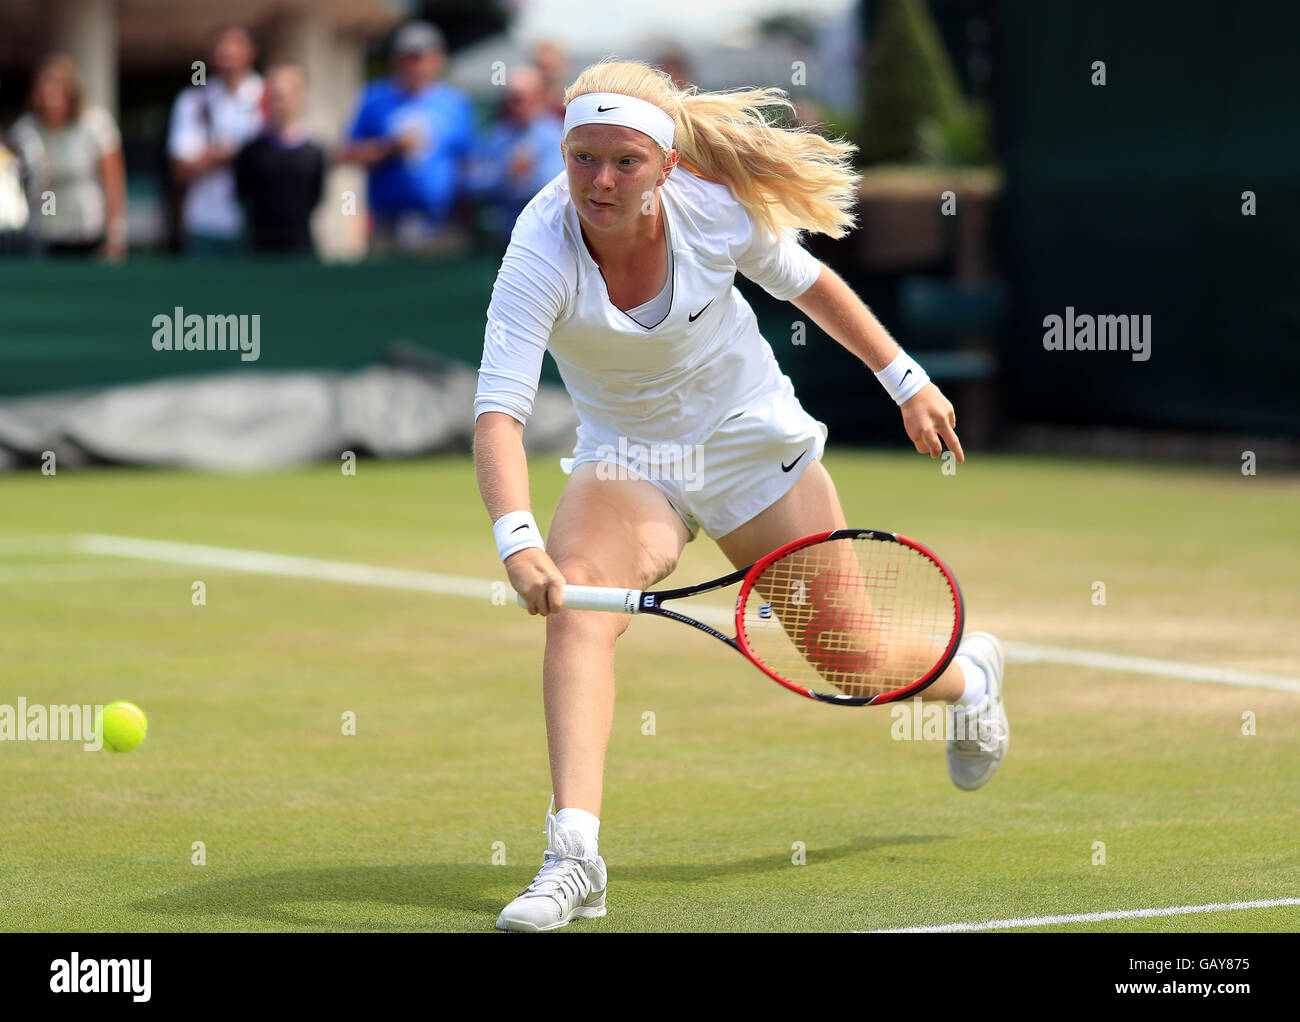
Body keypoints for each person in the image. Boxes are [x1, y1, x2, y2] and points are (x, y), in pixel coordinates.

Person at [473, 59, 1010, 932]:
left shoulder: (713, 211)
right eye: (582, 159)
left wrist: (906, 381)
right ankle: (574, 857)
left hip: (751, 444)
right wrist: (516, 537)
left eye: (624, 162)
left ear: (667, 165)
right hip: (627, 463)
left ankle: (969, 678)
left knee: (855, 665)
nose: (599, 183)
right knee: (576, 605)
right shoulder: (538, 247)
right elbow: (498, 411)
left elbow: (815, 287)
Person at [339, 21, 474, 256]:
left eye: (420, 57)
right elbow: (346, 153)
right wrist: (390, 147)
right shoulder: (374, 99)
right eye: (407, 57)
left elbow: (468, 160)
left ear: (437, 60)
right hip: (387, 223)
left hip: (440, 223)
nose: (414, 65)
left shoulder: (455, 104)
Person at [9, 54, 126, 259]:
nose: (50, 101)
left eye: (57, 93)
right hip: (43, 234)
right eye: (45, 93)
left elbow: (113, 181)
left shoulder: (95, 125)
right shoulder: (25, 130)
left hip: (87, 231)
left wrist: (115, 234)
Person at [167, 25, 265, 255]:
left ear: (252, 52)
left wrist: (219, 156)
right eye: (222, 45)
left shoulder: (270, 98)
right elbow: (180, 166)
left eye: (236, 44)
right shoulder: (193, 100)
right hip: (205, 222)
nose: (228, 51)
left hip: (258, 224)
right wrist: (235, 155)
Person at [465, 65, 564, 245]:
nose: (514, 106)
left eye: (520, 99)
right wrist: (507, 174)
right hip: (506, 236)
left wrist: (523, 177)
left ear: (539, 98)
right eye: (510, 99)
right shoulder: (498, 135)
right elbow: (473, 182)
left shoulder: (556, 136)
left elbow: (555, 188)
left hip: (546, 237)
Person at [235, 61, 325, 255]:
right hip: (259, 251)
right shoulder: (251, 152)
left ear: (301, 95)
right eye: (275, 96)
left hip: (301, 249)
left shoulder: (315, 153)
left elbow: (316, 198)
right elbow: (242, 194)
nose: (281, 103)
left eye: (287, 94)